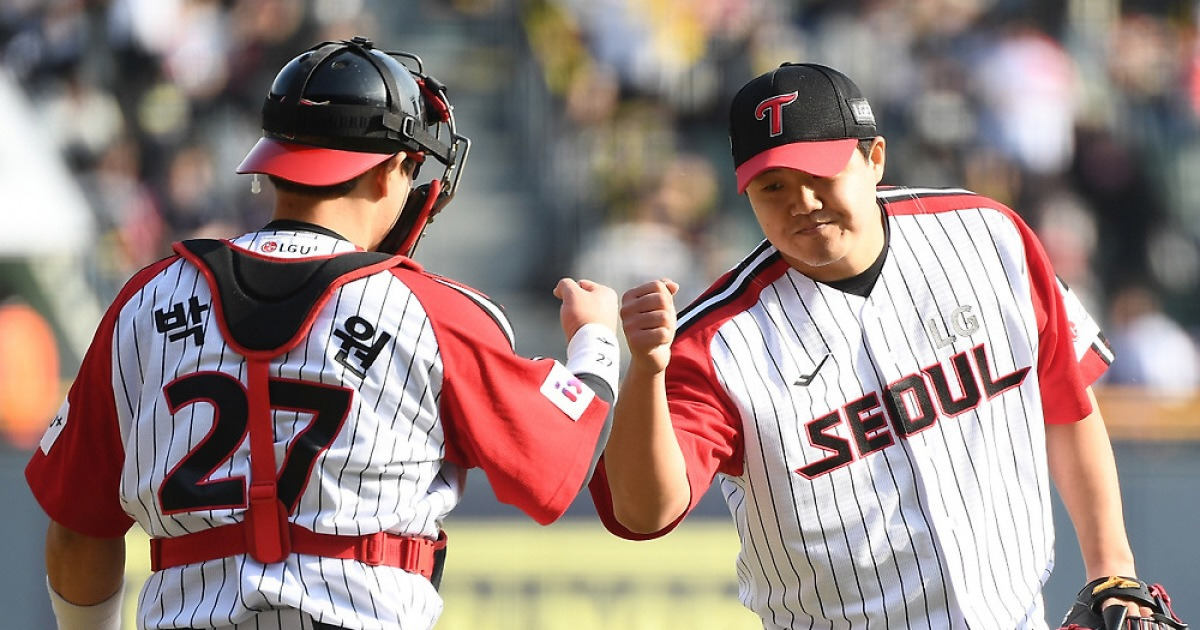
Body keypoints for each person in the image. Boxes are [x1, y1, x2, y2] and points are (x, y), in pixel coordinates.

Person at [27, 37, 620, 630]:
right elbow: (557, 469)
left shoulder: (144, 301)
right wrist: (595, 341)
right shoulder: (435, 313)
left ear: (274, 158)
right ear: (393, 170)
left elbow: (78, 536)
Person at [589, 62, 1161, 628]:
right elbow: (643, 512)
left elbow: (1064, 400)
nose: (802, 201)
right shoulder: (714, 341)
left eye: (820, 174)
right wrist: (646, 370)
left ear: (874, 158)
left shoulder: (989, 237)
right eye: (773, 186)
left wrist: (1111, 569)